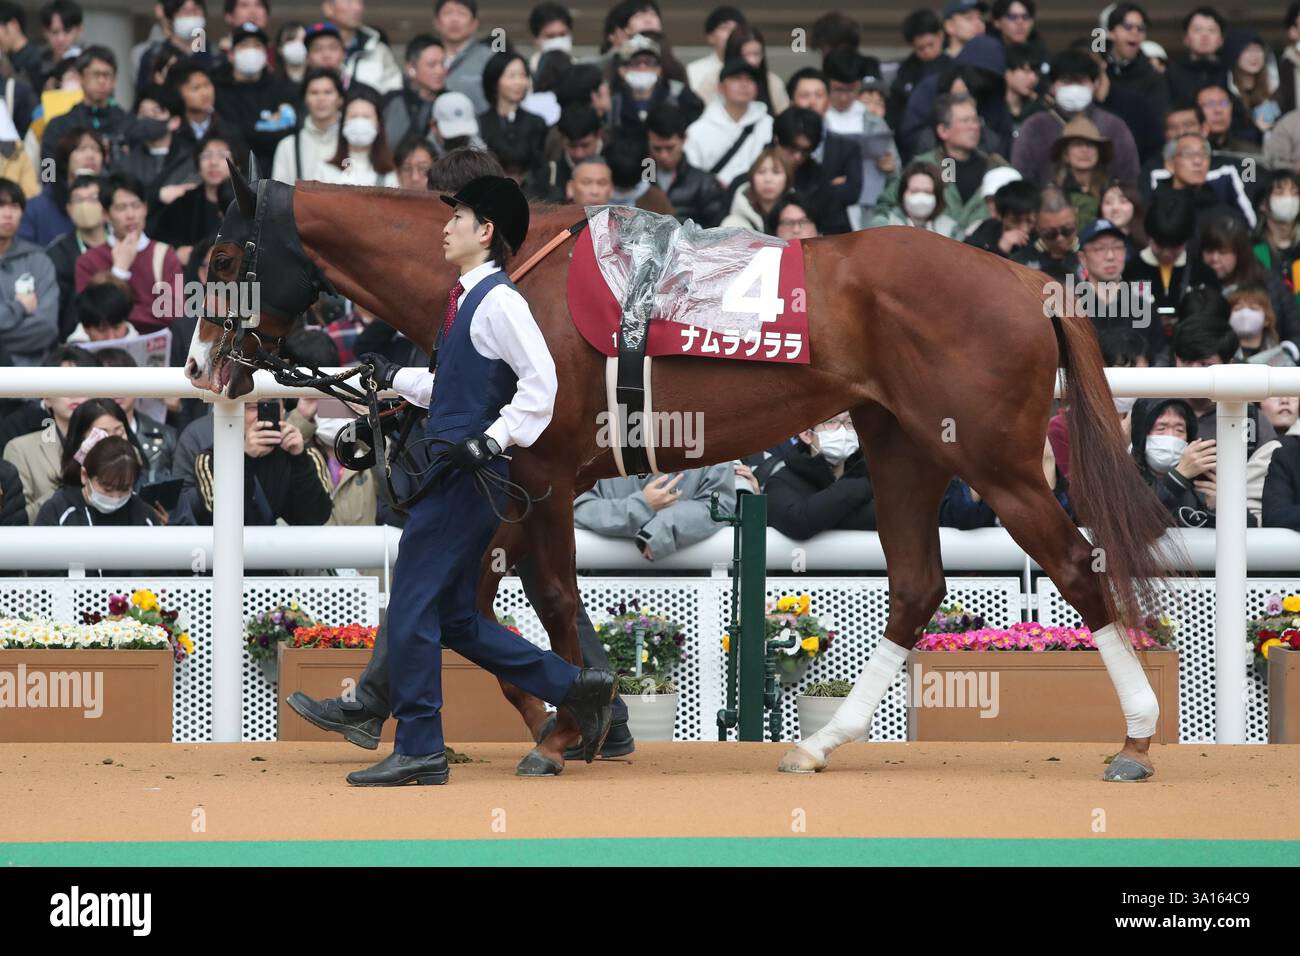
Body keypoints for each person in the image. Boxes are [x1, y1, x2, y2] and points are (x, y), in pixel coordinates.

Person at [337, 174, 617, 785]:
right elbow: (459, 390)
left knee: (411, 609)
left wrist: (494, 440)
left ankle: (420, 747)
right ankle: (576, 685)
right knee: (458, 618)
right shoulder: (467, 301)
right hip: (457, 470)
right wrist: (393, 380)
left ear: (485, 232)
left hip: (466, 475)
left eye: (457, 217)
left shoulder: (500, 301)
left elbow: (542, 385)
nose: (445, 226)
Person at [878, 92, 1008, 238]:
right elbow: (885, 206)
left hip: (984, 253)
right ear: (943, 131)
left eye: (976, 120)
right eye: (965, 121)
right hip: (933, 251)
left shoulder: (994, 168)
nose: (974, 127)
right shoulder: (925, 167)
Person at [74, 171, 183, 334]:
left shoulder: (165, 254)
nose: (131, 215)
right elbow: (92, 316)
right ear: (106, 214)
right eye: (121, 208)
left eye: (136, 205)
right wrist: (119, 272)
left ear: (145, 208)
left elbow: (174, 312)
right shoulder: (88, 261)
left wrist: (120, 316)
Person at [1011, 50, 1140, 186]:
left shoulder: (1114, 127)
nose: (1073, 87)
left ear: (1095, 84)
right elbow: (1021, 179)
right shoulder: (1034, 127)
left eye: (1080, 81)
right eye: (1066, 81)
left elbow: (1129, 178)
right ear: (1053, 86)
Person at [575, 464, 736, 560]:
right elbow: (578, 507)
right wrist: (643, 505)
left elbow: (719, 506)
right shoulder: (598, 435)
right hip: (604, 580)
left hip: (688, 582)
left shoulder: (709, 434)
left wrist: (660, 529)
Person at [35, 433, 165, 541]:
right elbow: (41, 566)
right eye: (107, 488)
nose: (115, 497)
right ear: (85, 476)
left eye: (124, 489)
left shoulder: (143, 513)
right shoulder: (58, 509)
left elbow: (164, 568)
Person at [765, 412, 874, 538]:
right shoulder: (781, 482)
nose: (843, 431)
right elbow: (798, 523)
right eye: (831, 422)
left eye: (849, 423)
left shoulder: (873, 477)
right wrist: (859, 487)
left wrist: (820, 516)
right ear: (806, 434)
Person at [212, 21, 299, 172]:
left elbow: (290, 132)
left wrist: (251, 130)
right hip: (235, 175)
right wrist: (267, 127)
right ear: (231, 54)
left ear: (266, 55)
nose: (251, 51)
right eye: (244, 45)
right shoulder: (217, 89)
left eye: (257, 45)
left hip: (276, 173)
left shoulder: (282, 88)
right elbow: (231, 135)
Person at [684, 57, 773, 189]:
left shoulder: (769, 125)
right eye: (736, 78)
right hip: (713, 201)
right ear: (720, 87)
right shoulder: (698, 130)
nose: (744, 84)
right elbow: (691, 176)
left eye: (750, 79)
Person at [147, 130, 235, 258]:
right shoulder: (183, 203)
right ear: (198, 166)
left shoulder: (247, 203)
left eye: (222, 156)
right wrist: (176, 252)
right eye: (206, 156)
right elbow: (159, 240)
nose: (213, 163)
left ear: (237, 164)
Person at [0, 177, 58, 366]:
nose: (8, 214)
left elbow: (47, 328)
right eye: (1, 206)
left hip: (30, 380)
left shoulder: (38, 260)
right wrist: (20, 307)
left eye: (15, 206)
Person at [20, 126, 106, 246]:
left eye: (97, 150)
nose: (91, 155)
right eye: (82, 149)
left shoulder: (113, 202)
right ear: (66, 158)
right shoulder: (36, 208)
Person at [609, 32, 703, 138]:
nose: (642, 67)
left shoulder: (679, 94)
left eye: (649, 62)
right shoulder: (612, 100)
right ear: (622, 70)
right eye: (635, 62)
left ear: (659, 69)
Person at [645, 104, 724, 227]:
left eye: (670, 148)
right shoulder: (640, 178)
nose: (663, 155)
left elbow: (715, 232)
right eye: (657, 148)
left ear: (684, 140)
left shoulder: (705, 184)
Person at [477, 50, 548, 170]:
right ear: (495, 80)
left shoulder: (537, 123)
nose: (518, 82)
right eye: (511, 76)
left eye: (523, 75)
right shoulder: (480, 122)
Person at [271, 66, 342, 184]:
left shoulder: (352, 141)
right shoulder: (287, 146)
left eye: (328, 92)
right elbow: (279, 196)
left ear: (340, 99)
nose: (321, 98)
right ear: (305, 99)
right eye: (314, 93)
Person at [317, 83, 397, 187]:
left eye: (366, 117)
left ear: (378, 125)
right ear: (343, 123)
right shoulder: (325, 168)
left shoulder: (389, 173)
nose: (360, 122)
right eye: (354, 116)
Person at [1104, 4, 1170, 121]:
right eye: (1128, 27)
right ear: (1111, 32)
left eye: (1141, 28)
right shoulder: (1097, 69)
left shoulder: (1153, 78)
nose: (1135, 32)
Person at [382, 33, 445, 149]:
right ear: (411, 68)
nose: (440, 71)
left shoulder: (451, 100)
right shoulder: (391, 101)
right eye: (432, 65)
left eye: (443, 63)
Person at [323, 0, 400, 95]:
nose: (358, 8)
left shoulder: (379, 51)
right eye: (349, 2)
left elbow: (394, 92)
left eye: (360, 2)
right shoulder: (310, 50)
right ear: (328, 8)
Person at [869, 159, 961, 238]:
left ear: (937, 196)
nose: (921, 197)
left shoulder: (951, 230)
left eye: (927, 192)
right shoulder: (884, 224)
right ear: (902, 193)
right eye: (914, 191)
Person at [1011, 185, 1080, 285]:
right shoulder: (1020, 263)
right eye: (1050, 233)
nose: (1059, 238)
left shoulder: (1093, 252)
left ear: (1076, 215)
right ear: (1035, 221)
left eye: (1067, 230)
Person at [1051, 115, 1111, 229]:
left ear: (1098, 153)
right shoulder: (1054, 192)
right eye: (1078, 144)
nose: (1085, 150)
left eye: (1091, 144)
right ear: (1066, 154)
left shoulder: (1111, 189)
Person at [435, 0, 493, 114]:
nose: (454, 20)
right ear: (437, 22)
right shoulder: (426, 57)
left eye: (462, 13)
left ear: (474, 23)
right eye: (448, 13)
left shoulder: (488, 59)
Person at [1164, 6, 1229, 105]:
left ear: (1221, 40)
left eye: (1211, 30)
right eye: (1197, 30)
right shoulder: (1171, 73)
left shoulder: (1231, 72)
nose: (1204, 35)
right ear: (1186, 39)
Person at [720, 147, 790, 231]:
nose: (768, 179)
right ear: (751, 179)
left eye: (776, 172)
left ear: (788, 179)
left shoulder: (801, 222)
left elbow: (807, 244)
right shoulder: (732, 225)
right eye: (761, 171)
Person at [65, 279, 136, 343]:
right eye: (101, 330)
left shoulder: (142, 348)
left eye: (116, 327)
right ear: (85, 329)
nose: (111, 338)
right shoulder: (71, 354)